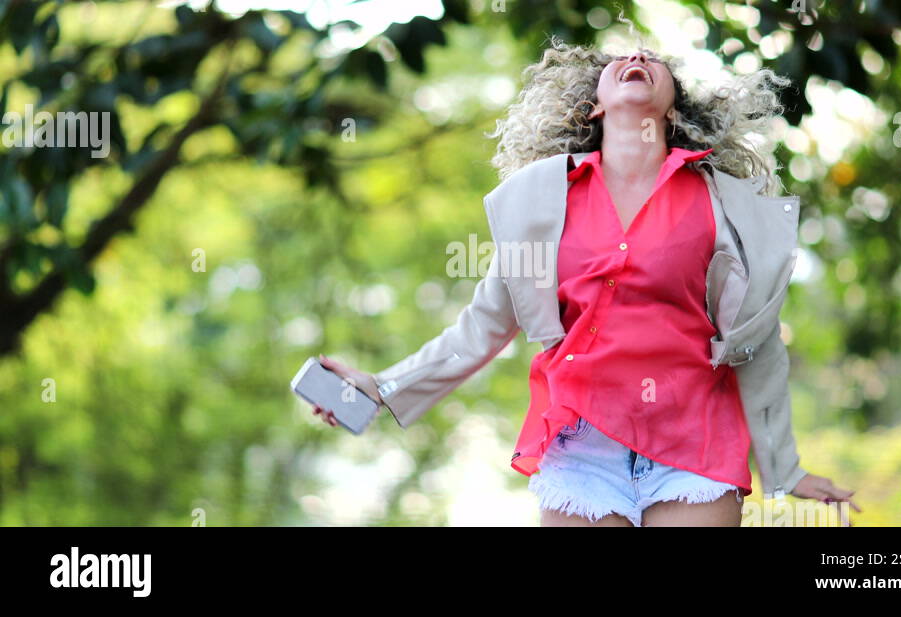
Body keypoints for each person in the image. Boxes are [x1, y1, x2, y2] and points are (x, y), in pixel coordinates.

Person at [313, 38, 861, 527]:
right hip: (581, 448)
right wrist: (379, 386)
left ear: (672, 110)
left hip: (697, 443)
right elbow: (481, 328)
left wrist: (784, 468)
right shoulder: (541, 205)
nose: (637, 58)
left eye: (654, 61)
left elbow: (755, 341)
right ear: (595, 106)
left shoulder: (719, 204)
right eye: (622, 58)